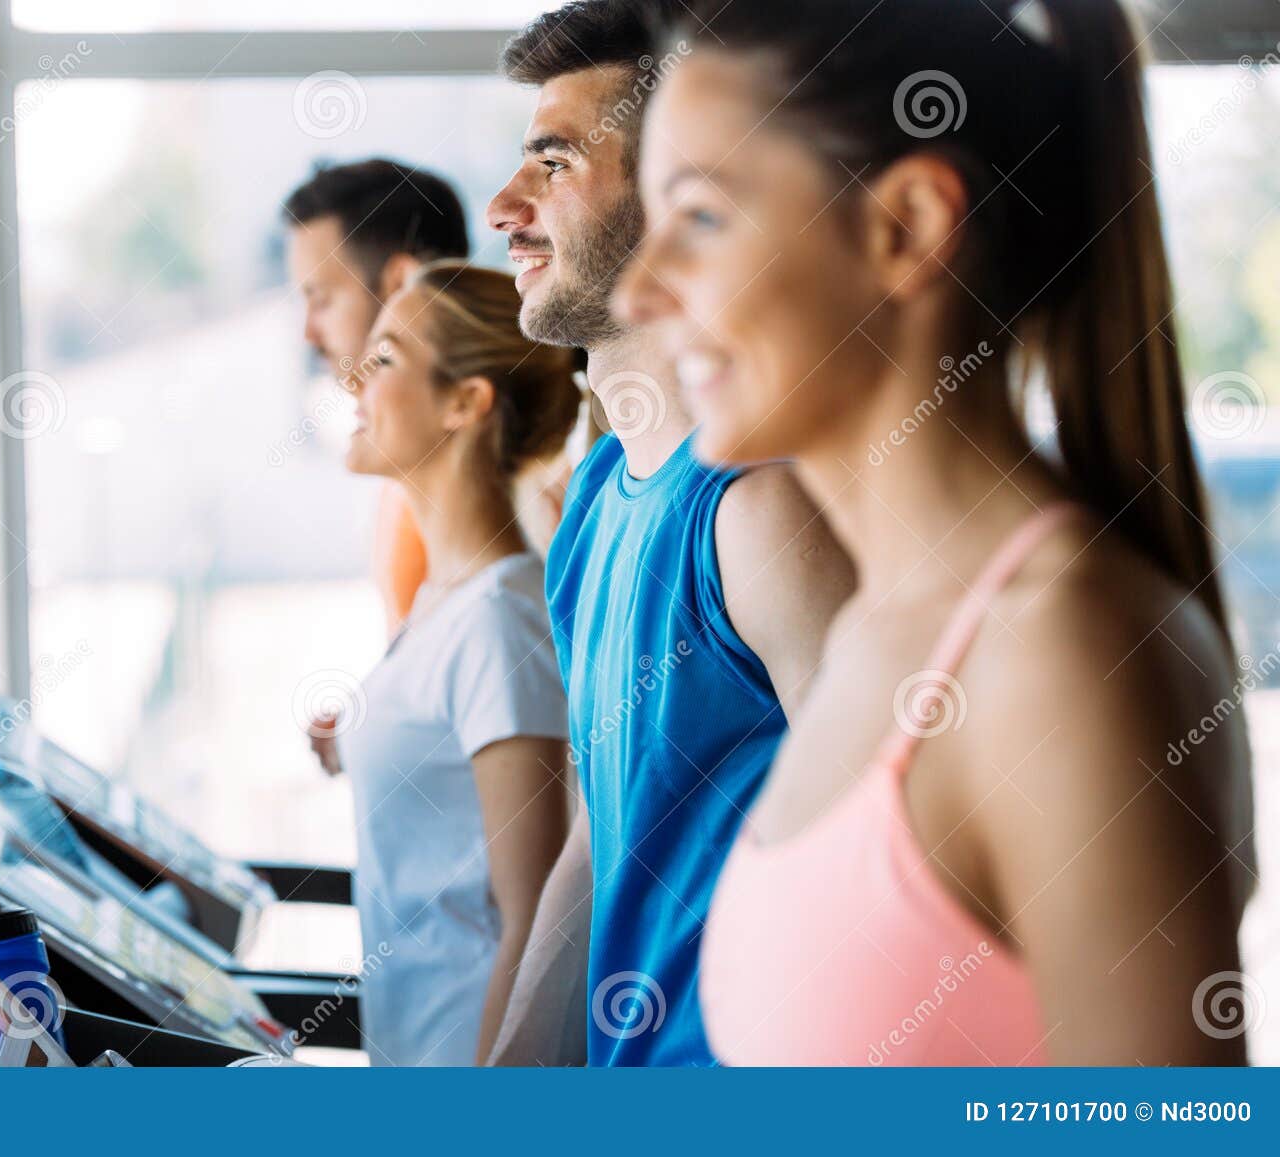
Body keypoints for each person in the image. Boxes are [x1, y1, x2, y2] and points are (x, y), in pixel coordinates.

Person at [618, 0, 1257, 1065]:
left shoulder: (1059, 648)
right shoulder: (877, 628)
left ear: (905, 226)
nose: (639, 290)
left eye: (700, 218)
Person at [483, 0, 855, 1067]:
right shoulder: (595, 505)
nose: (505, 207)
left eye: (552, 163)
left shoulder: (762, 509)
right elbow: (602, 842)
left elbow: (887, 877)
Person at [306, 262, 581, 1066]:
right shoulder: (444, 595)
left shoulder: (498, 619)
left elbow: (532, 920)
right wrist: (353, 740)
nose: (355, 376)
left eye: (385, 357)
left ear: (466, 401)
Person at [283, 159, 469, 635]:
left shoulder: (490, 486)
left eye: (321, 298)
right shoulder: (401, 466)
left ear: (401, 284)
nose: (308, 334)